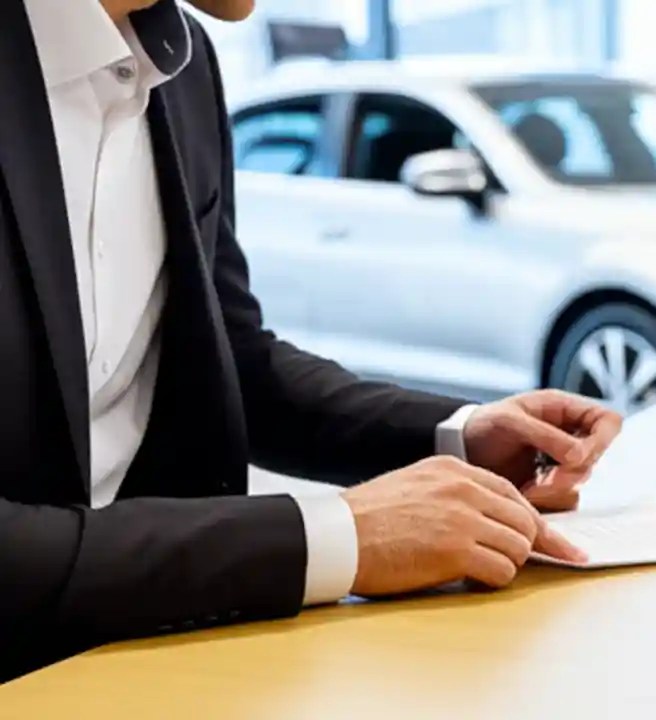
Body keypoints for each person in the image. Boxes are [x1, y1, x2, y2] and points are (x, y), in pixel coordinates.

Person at [0, 0, 623, 683]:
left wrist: (457, 438)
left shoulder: (182, 69)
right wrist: (337, 537)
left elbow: (232, 359)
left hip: (141, 659)